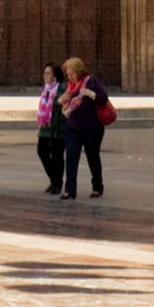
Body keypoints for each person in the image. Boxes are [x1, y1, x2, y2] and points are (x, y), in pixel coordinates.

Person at [58, 57, 110, 200]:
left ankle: (97, 187)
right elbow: (64, 107)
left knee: (92, 157)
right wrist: (61, 101)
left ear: (79, 71)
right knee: (71, 157)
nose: (70, 77)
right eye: (68, 74)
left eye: (72, 74)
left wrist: (89, 93)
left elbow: (103, 98)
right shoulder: (69, 87)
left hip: (92, 127)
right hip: (73, 127)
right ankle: (69, 190)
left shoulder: (91, 81)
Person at [35, 64, 67, 193]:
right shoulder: (47, 89)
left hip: (58, 128)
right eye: (44, 73)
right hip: (46, 127)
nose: (45, 76)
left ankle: (57, 184)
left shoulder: (62, 88)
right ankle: (54, 179)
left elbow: (62, 104)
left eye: (48, 73)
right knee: (42, 151)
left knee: (57, 155)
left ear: (55, 76)